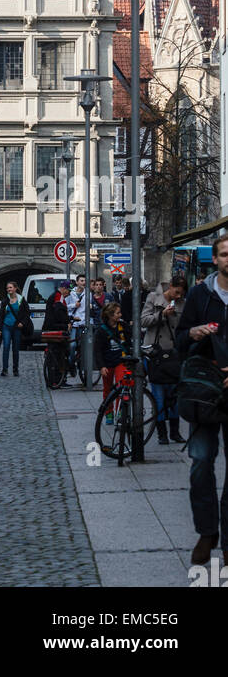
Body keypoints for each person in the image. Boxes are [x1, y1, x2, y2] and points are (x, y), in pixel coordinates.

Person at [176, 233, 228, 567]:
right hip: (206, 394)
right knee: (200, 464)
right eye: (224, 254)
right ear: (216, 259)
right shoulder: (199, 294)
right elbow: (180, 338)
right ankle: (207, 532)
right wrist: (193, 333)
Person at [142, 276, 187, 444]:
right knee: (159, 395)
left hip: (173, 354)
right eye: (176, 292)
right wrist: (161, 314)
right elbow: (143, 320)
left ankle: (175, 432)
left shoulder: (183, 303)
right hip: (155, 354)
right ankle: (162, 433)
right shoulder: (153, 298)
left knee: (174, 395)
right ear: (170, 287)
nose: (178, 296)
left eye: (181, 294)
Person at [93, 302, 129, 422]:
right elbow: (97, 350)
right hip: (107, 363)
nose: (120, 315)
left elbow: (129, 341)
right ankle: (108, 412)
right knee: (107, 389)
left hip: (120, 361)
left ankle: (119, 411)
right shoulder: (101, 331)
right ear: (110, 315)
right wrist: (101, 366)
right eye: (118, 313)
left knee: (120, 386)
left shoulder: (123, 326)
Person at [0, 280, 32, 377]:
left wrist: (22, 323)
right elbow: (1, 315)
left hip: (17, 327)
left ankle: (15, 369)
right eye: (7, 288)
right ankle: (4, 369)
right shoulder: (5, 300)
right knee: (6, 346)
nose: (9, 289)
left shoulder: (21, 300)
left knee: (16, 348)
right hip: (6, 326)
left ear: (15, 288)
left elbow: (27, 313)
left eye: (10, 287)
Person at [66, 274, 91, 372]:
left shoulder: (88, 293)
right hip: (73, 322)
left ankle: (80, 364)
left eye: (85, 281)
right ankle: (71, 363)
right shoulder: (70, 293)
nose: (83, 282)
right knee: (72, 345)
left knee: (81, 345)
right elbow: (65, 306)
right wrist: (74, 305)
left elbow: (88, 308)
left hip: (83, 322)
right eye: (81, 280)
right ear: (77, 282)